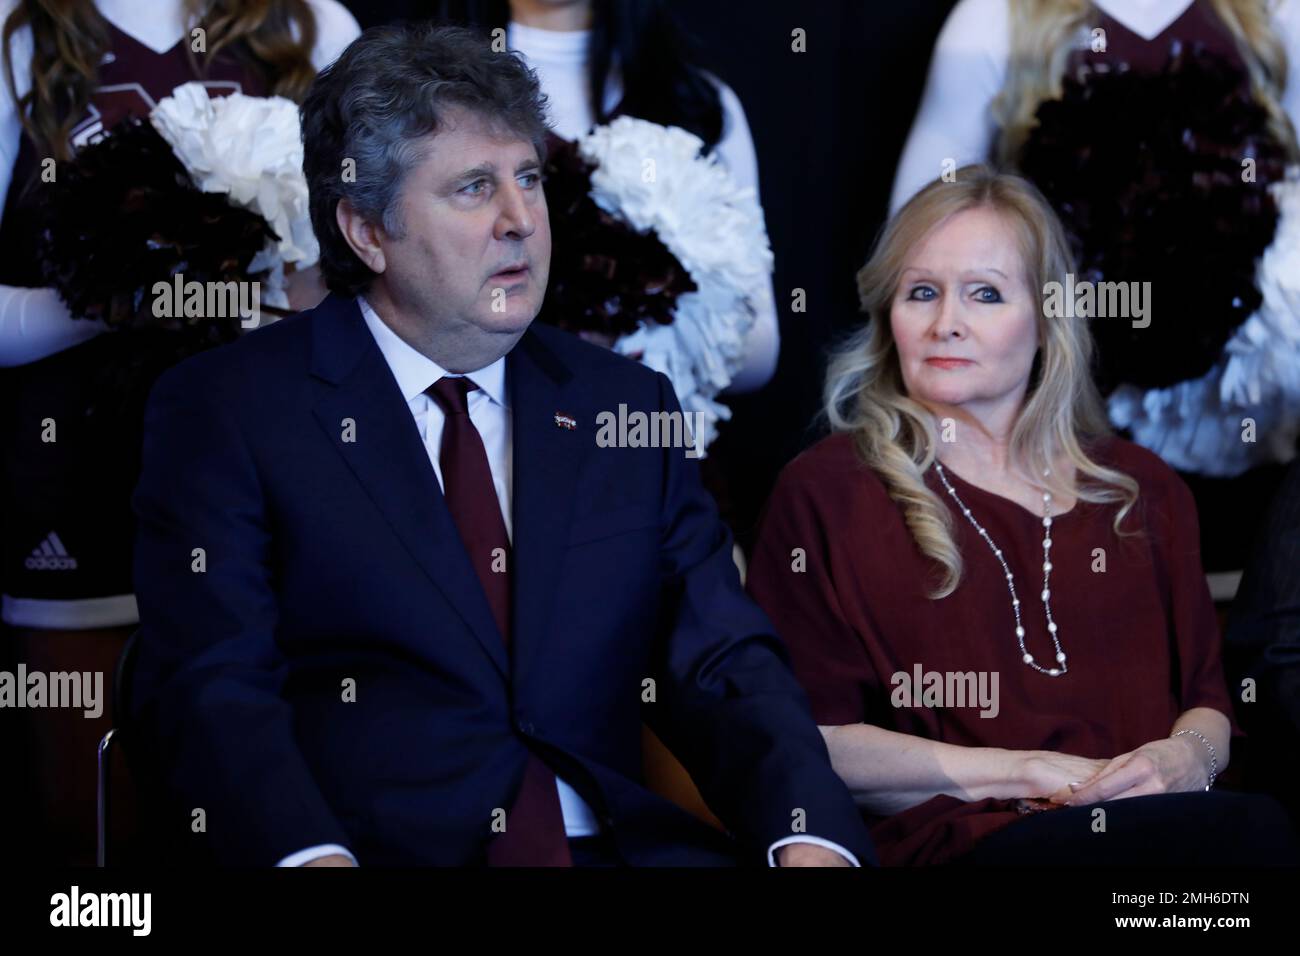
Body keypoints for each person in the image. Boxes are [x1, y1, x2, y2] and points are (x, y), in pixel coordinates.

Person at [125, 21, 873, 868]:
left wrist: (810, 838)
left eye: (529, 179)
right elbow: (214, 691)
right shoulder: (232, 409)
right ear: (368, 231)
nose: (522, 220)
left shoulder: (621, 407)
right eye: (475, 188)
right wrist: (309, 858)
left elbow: (725, 666)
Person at [746, 164, 1299, 866]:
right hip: (971, 848)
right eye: (921, 293)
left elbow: (1208, 704)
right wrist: (1022, 772)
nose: (947, 323)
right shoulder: (827, 491)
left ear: (1045, 318)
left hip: (1160, 842)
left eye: (984, 294)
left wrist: (1183, 761)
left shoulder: (1144, 490)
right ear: (889, 317)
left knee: (1259, 837)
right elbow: (802, 739)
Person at [0, 0, 359, 865]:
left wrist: (287, 287)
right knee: (94, 832)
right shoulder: (18, 31)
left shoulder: (317, 24)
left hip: (282, 495)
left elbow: (381, 271)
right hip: (78, 500)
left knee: (290, 815)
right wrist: (128, 286)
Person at [435, 0, 779, 392]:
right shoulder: (425, 95)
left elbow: (760, 346)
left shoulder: (697, 102)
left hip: (650, 435)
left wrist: (646, 335)